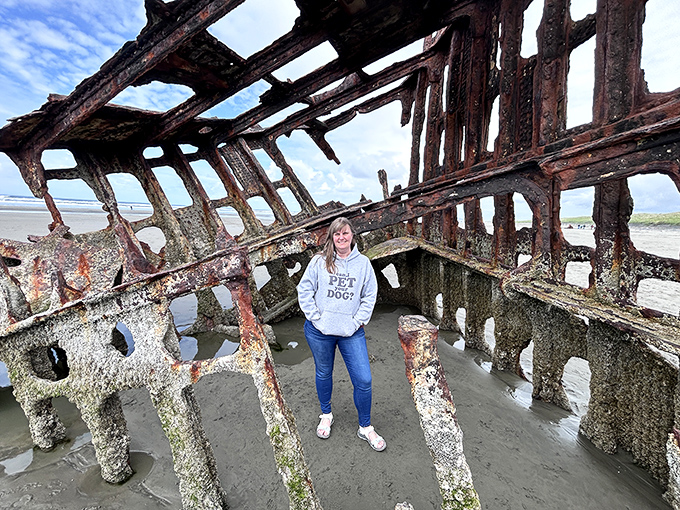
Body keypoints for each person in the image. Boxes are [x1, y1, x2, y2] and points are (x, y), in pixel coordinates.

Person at [296, 217, 386, 452]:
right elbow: (304, 289)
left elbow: (370, 295)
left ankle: (365, 427)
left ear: (352, 236)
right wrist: (315, 316)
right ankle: (326, 414)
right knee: (324, 372)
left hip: (351, 332)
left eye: (345, 233)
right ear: (332, 238)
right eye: (337, 234)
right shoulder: (319, 261)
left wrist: (358, 321)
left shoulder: (363, 264)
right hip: (319, 331)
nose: (341, 238)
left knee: (364, 380)